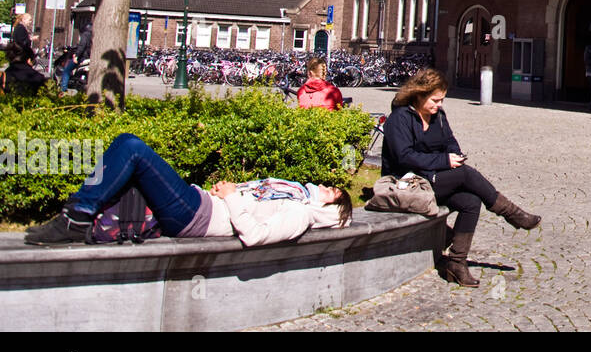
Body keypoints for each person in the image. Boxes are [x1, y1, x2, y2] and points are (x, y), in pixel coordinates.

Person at [24, 133, 352, 246]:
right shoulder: (294, 196)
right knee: (129, 160)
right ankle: (79, 216)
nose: (324, 186)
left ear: (330, 211)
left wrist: (232, 197)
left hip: (195, 216)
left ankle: (77, 218)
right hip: (199, 205)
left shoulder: (299, 214)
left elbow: (254, 235)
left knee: (132, 148)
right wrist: (234, 190)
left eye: (331, 192)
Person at [382, 69, 540, 287]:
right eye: (435, 100)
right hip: (407, 183)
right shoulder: (399, 119)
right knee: (466, 175)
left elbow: (450, 142)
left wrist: (455, 155)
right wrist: (444, 162)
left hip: (432, 179)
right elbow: (404, 157)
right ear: (419, 94)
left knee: (471, 201)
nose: (438, 105)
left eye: (441, 100)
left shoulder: (439, 117)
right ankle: (511, 212)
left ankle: (456, 262)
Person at [5, 12, 46, 92]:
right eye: (29, 20)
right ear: (23, 19)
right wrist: (30, 39)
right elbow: (22, 42)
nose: (30, 22)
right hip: (21, 54)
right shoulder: (21, 28)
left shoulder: (7, 74)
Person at [59, 18, 92, 92]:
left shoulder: (85, 35)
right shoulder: (92, 35)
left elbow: (82, 46)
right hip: (89, 57)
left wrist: (76, 55)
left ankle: (63, 88)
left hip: (82, 57)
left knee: (67, 70)